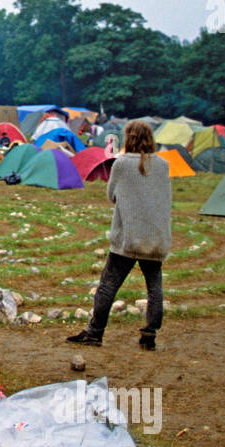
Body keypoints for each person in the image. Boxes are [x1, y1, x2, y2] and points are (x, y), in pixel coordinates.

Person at [68, 120, 171, 350]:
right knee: (155, 288)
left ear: (129, 138)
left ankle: (95, 332)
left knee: (108, 286)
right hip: (155, 237)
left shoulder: (122, 163)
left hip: (127, 238)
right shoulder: (163, 165)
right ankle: (149, 335)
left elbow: (111, 195)